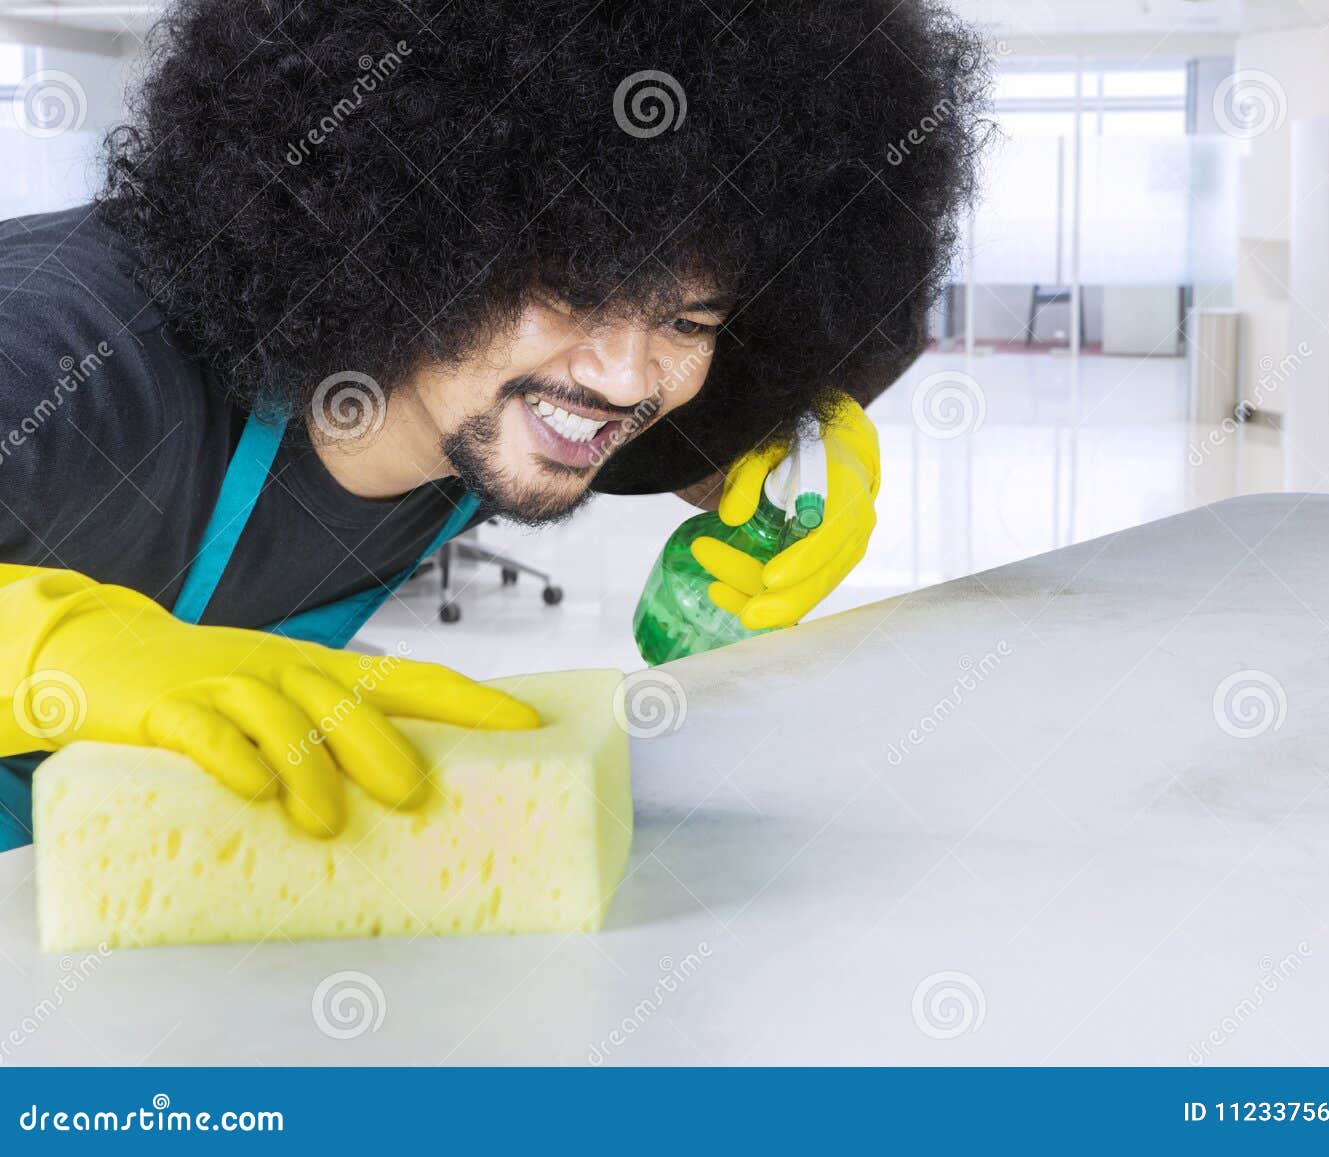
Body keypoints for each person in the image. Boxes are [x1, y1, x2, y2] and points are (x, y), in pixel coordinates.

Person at [0, 0, 988, 847]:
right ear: (397, 233)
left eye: (687, 319)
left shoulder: (495, 398)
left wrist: (776, 436)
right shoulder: (73, 350)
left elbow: (696, 413)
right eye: (568, 289)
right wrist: (51, 648)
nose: (623, 375)